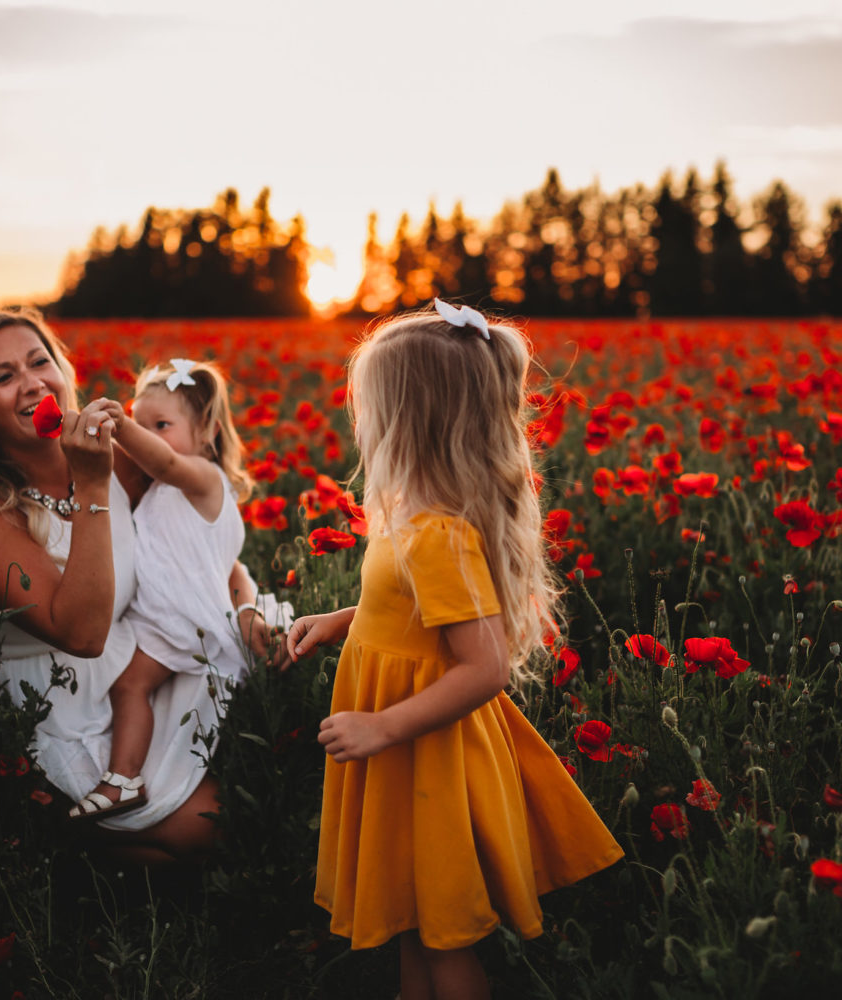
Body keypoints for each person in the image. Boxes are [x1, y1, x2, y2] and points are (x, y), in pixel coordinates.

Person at [283, 301, 623, 999]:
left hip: (424, 751)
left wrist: (382, 726)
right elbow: (411, 610)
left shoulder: (438, 534)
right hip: (410, 749)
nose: (360, 425)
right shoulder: (415, 518)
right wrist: (344, 617)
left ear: (413, 422)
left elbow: (485, 667)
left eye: (369, 410)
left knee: (444, 932)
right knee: (416, 920)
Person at [0, 308, 265, 863]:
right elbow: (80, 632)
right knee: (198, 832)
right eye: (2, 378)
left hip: (132, 674)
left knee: (228, 814)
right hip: (46, 707)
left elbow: (203, 550)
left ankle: (79, 848)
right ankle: (52, 841)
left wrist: (243, 606)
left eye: (38, 361)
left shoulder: (119, 458)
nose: (31, 383)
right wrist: (92, 484)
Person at [66, 358, 261, 822]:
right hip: (163, 614)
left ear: (208, 429)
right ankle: (126, 772)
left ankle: (124, 778)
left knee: (129, 684)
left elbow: (167, 461)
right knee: (125, 682)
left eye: (161, 425)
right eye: (140, 419)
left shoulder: (200, 477)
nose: (147, 435)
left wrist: (123, 429)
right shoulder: (167, 492)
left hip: (174, 618)